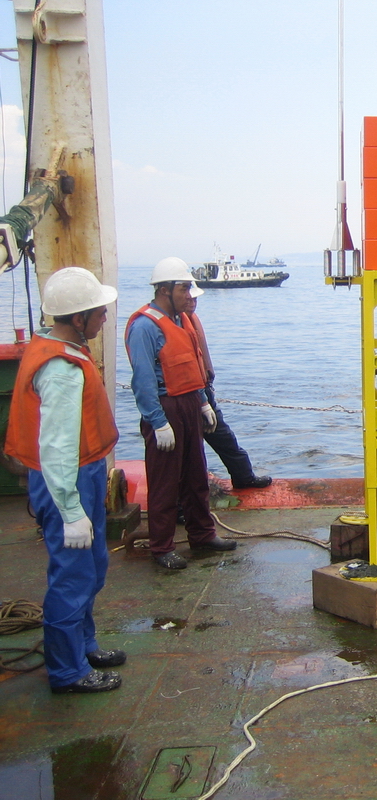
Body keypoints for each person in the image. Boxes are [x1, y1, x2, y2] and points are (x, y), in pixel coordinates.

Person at [4, 267, 124, 693]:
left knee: (92, 566)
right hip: (65, 481)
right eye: (98, 313)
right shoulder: (61, 370)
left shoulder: (57, 346)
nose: (104, 320)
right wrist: (71, 511)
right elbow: (55, 448)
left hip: (82, 472)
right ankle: (67, 671)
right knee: (72, 575)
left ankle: (84, 644)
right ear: (78, 319)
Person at [125, 257, 237, 570]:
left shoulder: (182, 321)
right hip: (166, 407)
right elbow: (143, 380)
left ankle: (202, 535)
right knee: (164, 483)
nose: (190, 293)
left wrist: (202, 402)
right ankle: (162, 547)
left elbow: (190, 366)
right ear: (164, 289)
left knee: (195, 475)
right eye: (185, 287)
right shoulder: (145, 327)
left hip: (189, 403)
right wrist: (157, 422)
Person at [185, 285, 272, 490]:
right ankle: (183, 503)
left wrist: (206, 390)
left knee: (223, 436)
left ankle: (243, 476)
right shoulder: (171, 325)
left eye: (195, 299)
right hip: (186, 394)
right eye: (189, 299)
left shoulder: (189, 321)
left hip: (202, 389)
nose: (193, 303)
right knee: (187, 452)